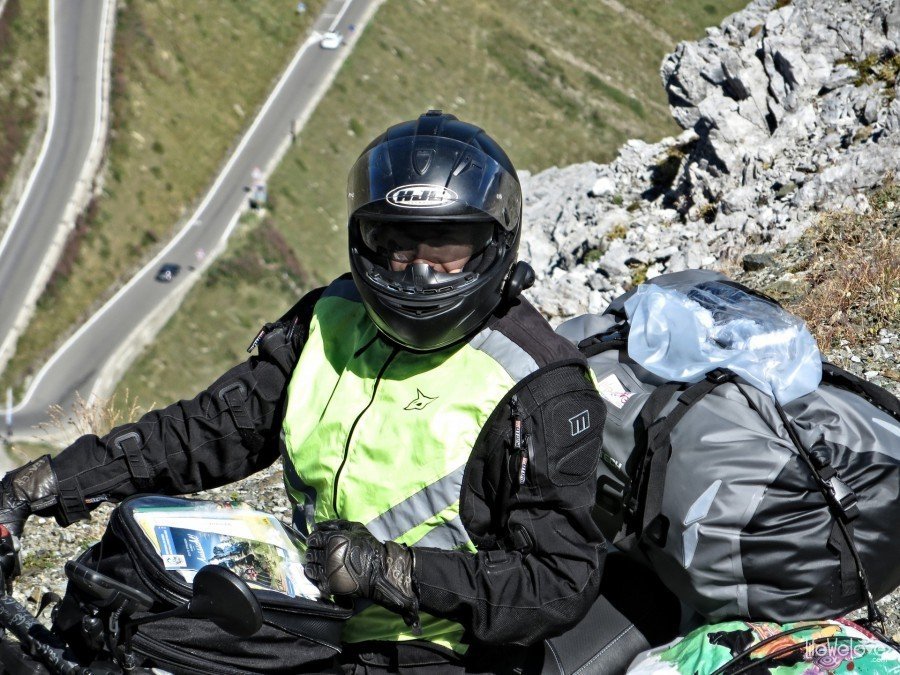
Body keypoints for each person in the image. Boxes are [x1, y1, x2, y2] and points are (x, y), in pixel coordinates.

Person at [0, 111, 607, 673]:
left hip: (430, 646)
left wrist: (394, 572)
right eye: (395, 244)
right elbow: (210, 429)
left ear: (494, 244)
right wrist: (53, 481)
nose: (417, 272)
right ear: (363, 239)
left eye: (445, 248)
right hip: (307, 609)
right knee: (115, 613)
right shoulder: (330, 318)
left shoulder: (538, 386)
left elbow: (557, 581)